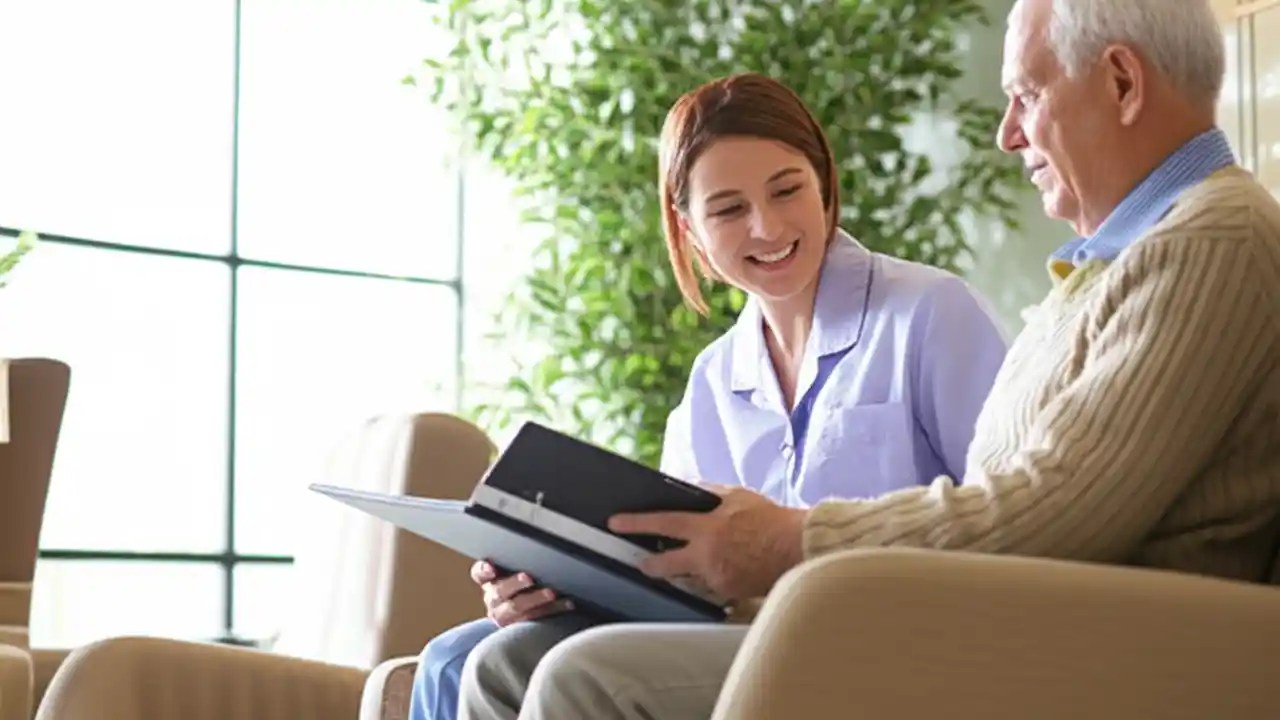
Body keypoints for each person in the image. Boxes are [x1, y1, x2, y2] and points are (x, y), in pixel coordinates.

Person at [454, 0, 1280, 718]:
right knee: (497, 664)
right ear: (693, 238)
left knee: (584, 679)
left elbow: (1056, 512)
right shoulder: (1111, 264)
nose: (1006, 134)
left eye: (1025, 96)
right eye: (729, 210)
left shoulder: (1213, 239)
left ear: (1123, 83)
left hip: (1070, 647)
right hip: (963, 621)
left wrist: (787, 540)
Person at [407, 73, 1011, 720]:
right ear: (689, 230)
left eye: (787, 190)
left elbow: (1010, 515)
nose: (767, 226)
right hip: (739, 630)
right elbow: (677, 572)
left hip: (882, 637)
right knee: (462, 656)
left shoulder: (928, 313)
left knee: (553, 671)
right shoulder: (714, 379)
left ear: (825, 184)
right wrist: (549, 586)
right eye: (728, 210)